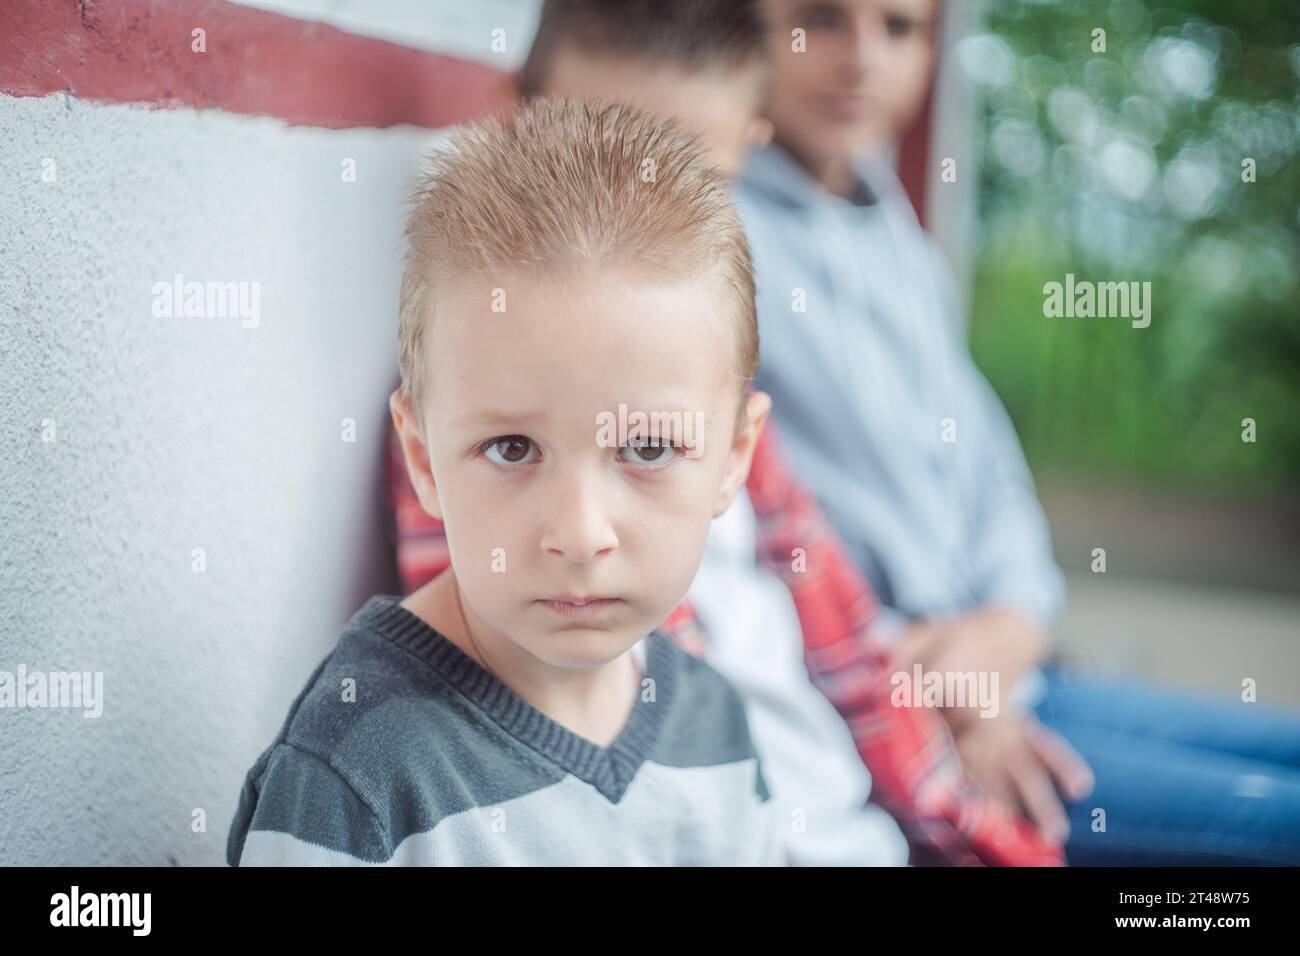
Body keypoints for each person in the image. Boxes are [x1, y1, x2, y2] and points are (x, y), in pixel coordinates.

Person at [386, 0, 1062, 866]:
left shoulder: (746, 387)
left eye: (681, 174)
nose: (626, 212)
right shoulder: (470, 425)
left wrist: (971, 812)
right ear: (523, 111)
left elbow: (854, 658)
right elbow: (512, 719)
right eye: (593, 150)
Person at [742, 0, 1300, 864]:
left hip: (1014, 676)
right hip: (914, 716)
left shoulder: (896, 234)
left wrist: (1014, 622)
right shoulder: (721, 242)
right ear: (746, 27)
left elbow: (992, 471)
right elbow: (753, 554)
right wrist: (944, 696)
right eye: (821, 19)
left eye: (899, 28)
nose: (860, 58)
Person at [226, 99, 783, 865]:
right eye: (514, 447)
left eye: (648, 448)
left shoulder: (715, 730)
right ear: (423, 458)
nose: (582, 534)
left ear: (733, 457)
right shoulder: (360, 777)